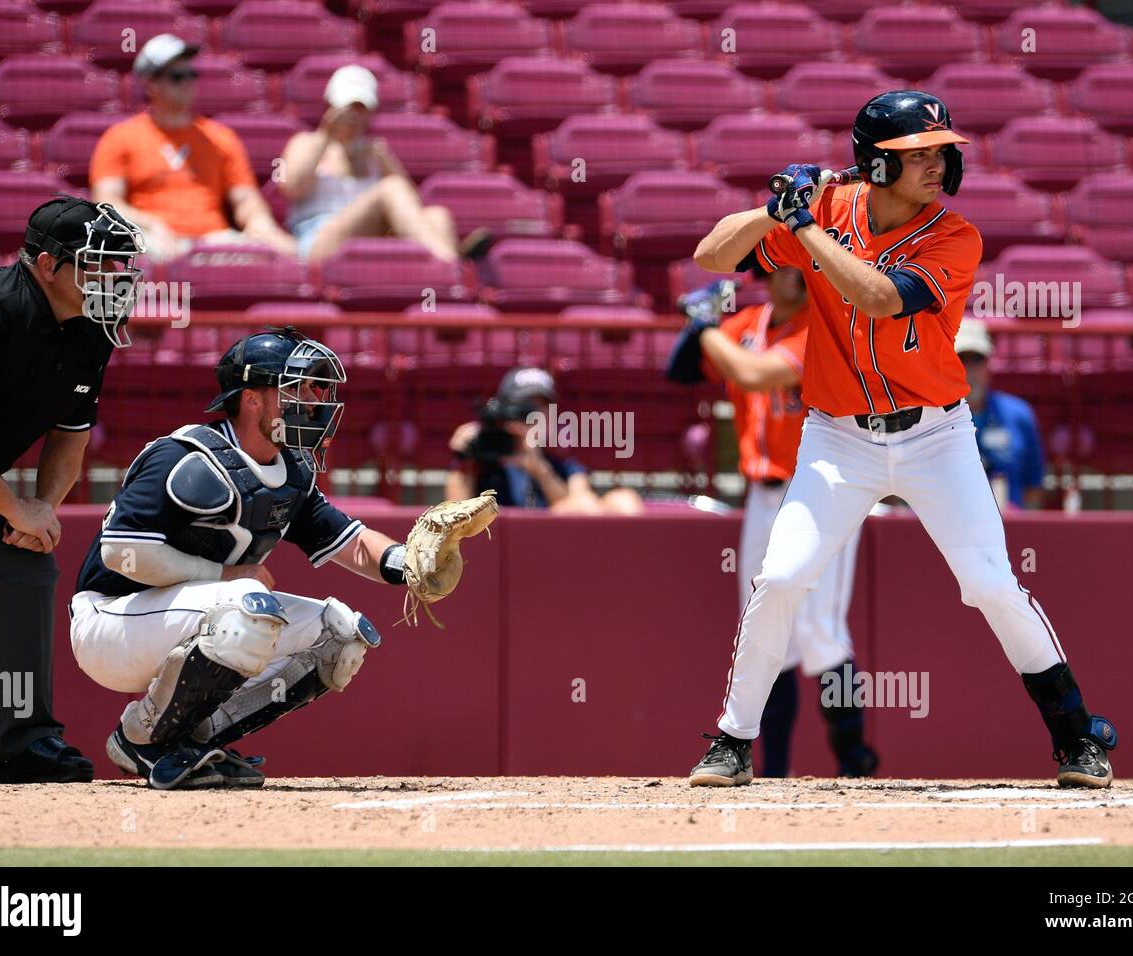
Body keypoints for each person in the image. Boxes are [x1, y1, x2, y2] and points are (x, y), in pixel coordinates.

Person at [687, 91, 1117, 789]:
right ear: (873, 164)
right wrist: (776, 210)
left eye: (941, 152)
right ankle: (733, 741)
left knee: (987, 584)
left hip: (936, 436)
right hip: (837, 440)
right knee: (783, 576)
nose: (937, 164)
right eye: (915, 154)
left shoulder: (956, 236)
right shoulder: (824, 212)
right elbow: (711, 255)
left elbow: (880, 296)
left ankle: (1076, 737)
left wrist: (806, 230)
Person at [69, 327, 494, 790]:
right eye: (297, 387)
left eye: (316, 387)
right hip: (110, 621)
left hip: (186, 619)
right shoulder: (185, 457)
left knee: (340, 634)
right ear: (252, 399)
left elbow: (348, 540)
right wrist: (228, 574)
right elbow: (121, 552)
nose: (312, 399)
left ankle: (190, 739)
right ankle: (141, 741)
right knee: (247, 604)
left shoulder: (290, 471)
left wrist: (412, 564)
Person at [0, 196, 145, 783]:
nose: (114, 279)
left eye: (120, 265)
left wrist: (41, 511)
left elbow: (68, 439)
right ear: (47, 265)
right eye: (99, 263)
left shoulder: (91, 329)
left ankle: (21, 747)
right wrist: (13, 506)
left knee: (23, 573)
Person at [666, 268, 878, 778]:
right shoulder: (745, 323)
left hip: (820, 491)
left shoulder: (820, 327)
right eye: (788, 267)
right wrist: (697, 326)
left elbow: (753, 375)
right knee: (765, 631)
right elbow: (678, 370)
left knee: (820, 630)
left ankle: (856, 763)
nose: (802, 276)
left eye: (808, 268)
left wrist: (704, 326)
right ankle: (771, 770)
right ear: (767, 274)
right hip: (761, 497)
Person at [90, 33, 297, 262]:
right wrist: (150, 224)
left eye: (191, 74)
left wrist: (263, 227)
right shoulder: (120, 137)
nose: (187, 82)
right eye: (177, 76)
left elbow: (246, 200)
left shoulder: (220, 137)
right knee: (134, 252)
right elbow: (107, 204)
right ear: (150, 83)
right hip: (155, 240)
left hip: (214, 240)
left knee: (265, 255)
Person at [278, 65, 479, 263]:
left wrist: (385, 161)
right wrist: (326, 134)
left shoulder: (375, 152)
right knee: (391, 189)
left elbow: (412, 209)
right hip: (318, 240)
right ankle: (453, 263)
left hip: (370, 241)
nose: (354, 116)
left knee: (437, 216)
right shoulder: (306, 142)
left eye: (361, 108)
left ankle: (444, 280)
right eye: (348, 107)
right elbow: (293, 187)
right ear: (330, 105)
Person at [446, 367, 643, 514]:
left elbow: (585, 511)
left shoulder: (566, 467)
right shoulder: (480, 458)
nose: (535, 417)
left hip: (553, 549)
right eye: (526, 409)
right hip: (495, 547)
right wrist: (463, 459)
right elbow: (454, 519)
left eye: (543, 408)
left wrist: (540, 470)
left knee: (623, 499)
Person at [955, 318, 1046, 510]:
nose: (969, 370)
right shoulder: (929, 416)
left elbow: (1034, 486)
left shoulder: (1019, 415)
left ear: (989, 363)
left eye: (977, 359)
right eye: (962, 359)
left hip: (1007, 530)